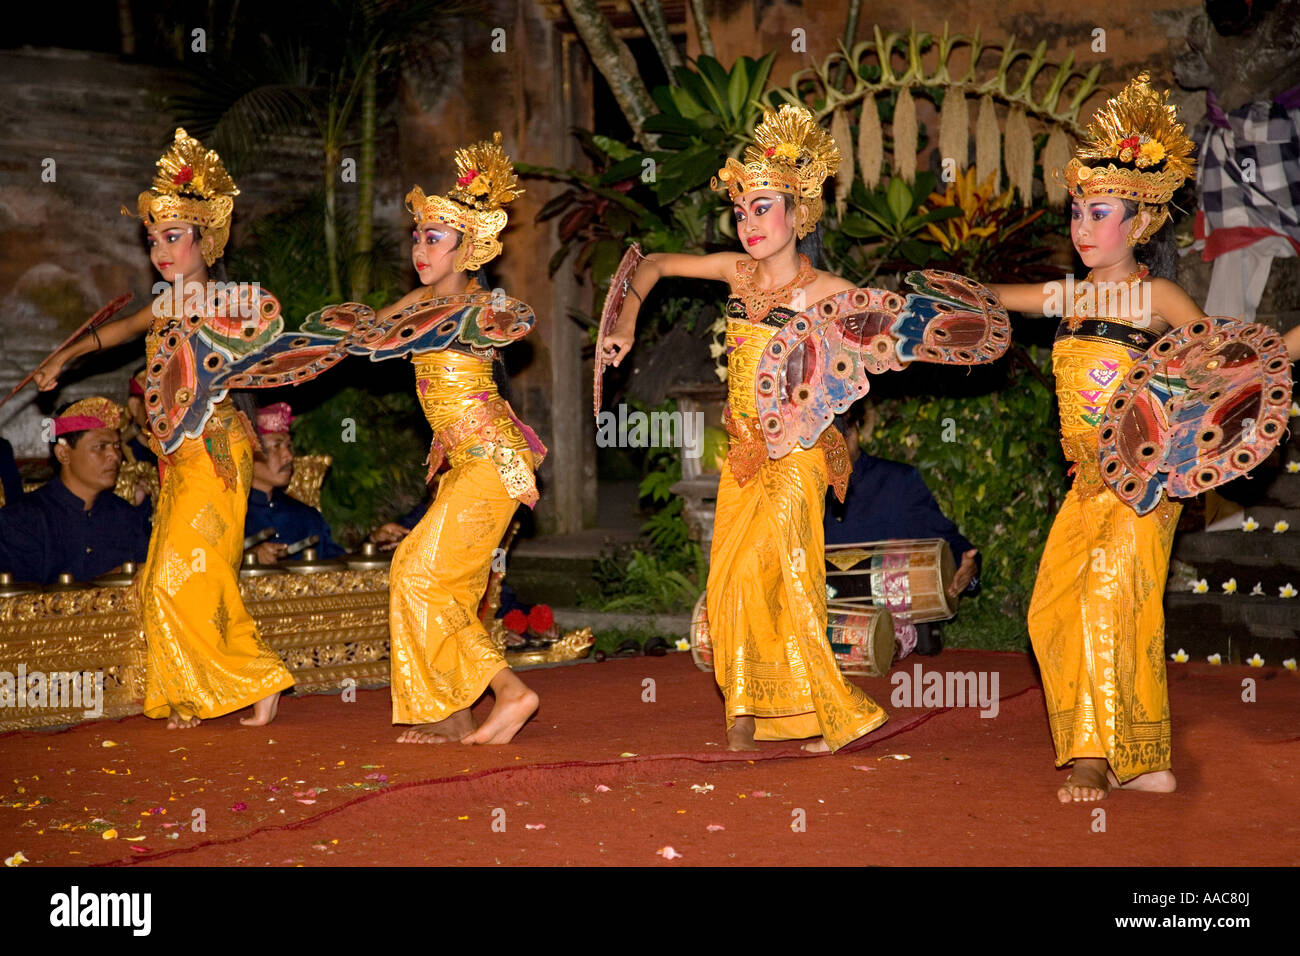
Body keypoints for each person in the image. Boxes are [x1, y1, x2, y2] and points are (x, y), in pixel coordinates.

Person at [988, 74, 1300, 803]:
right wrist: (925, 296)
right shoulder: (1068, 297)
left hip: (1144, 484)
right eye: (1077, 211)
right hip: (1085, 489)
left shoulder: (1156, 298)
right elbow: (1001, 299)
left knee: (1109, 602)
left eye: (1099, 212)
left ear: (1141, 224)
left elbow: (1221, 373)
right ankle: (1138, 753)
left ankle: (1098, 758)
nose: (1081, 225)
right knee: (1050, 609)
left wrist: (1288, 343)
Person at [602, 105, 890, 753]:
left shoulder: (829, 291)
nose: (750, 223)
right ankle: (748, 710)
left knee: (786, 569)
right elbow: (650, 267)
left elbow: (877, 350)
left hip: (800, 453)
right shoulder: (736, 272)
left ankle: (837, 713)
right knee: (730, 580)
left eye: (764, 207)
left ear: (798, 213)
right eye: (741, 211)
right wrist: (624, 323)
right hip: (741, 457)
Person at [33, 128, 293, 729]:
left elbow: (269, 334)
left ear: (208, 240)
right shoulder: (166, 303)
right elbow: (118, 332)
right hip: (175, 460)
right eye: (154, 240)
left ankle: (254, 678)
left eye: (174, 237)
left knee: (187, 572)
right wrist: (62, 358)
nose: (161, 250)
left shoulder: (231, 300)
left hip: (218, 452)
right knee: (164, 577)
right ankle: (195, 693)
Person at [825, 404, 980, 657]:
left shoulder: (898, 482)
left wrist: (968, 569)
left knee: (891, 634)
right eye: (828, 438)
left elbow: (949, 541)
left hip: (885, 612)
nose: (839, 444)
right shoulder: (801, 492)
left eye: (845, 432)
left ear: (856, 429)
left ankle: (911, 633)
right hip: (822, 612)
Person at [0, 397, 150, 584]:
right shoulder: (22, 520)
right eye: (100, 446)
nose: (114, 455)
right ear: (63, 454)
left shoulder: (127, 517)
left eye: (117, 446)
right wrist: (105, 583)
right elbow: (18, 604)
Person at [243, 401, 344, 564]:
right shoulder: (230, 515)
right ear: (248, 452)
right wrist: (246, 557)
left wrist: (374, 542)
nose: (288, 456)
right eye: (276, 446)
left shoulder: (306, 517)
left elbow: (341, 565)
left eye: (288, 446)